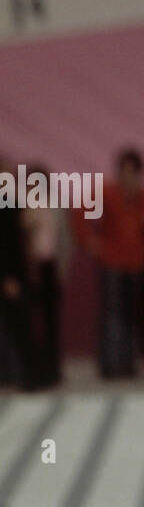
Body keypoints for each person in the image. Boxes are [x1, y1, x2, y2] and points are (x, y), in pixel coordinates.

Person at [75, 148, 144, 379]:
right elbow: (80, 214)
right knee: (112, 315)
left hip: (139, 263)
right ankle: (111, 365)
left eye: (133, 172)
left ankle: (129, 364)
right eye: (124, 171)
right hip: (112, 262)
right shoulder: (107, 193)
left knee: (133, 316)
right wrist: (89, 241)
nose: (128, 177)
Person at [22, 161, 73, 388]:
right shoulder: (21, 205)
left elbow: (65, 238)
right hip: (29, 268)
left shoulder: (55, 206)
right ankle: (34, 369)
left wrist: (62, 268)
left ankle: (52, 368)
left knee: (51, 321)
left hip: (51, 266)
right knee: (31, 323)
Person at [0, 156, 34, 389]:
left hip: (14, 273)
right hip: (8, 274)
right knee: (11, 325)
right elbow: (5, 243)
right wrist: (7, 276)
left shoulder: (10, 201)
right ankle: (14, 372)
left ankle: (15, 373)